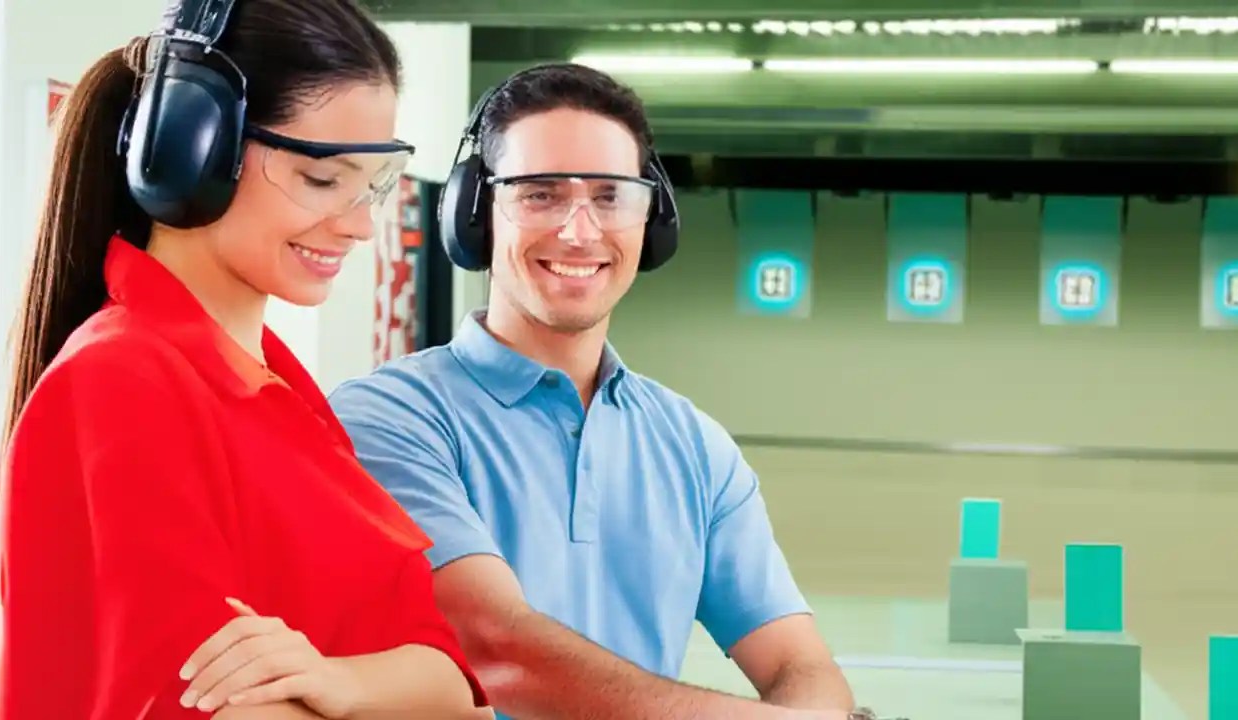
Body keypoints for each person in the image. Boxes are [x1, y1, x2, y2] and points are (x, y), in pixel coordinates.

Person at [0, 1, 492, 718]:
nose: (359, 225)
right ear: (191, 152)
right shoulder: (122, 381)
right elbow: (200, 704)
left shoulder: (282, 388)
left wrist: (340, 685)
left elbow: (450, 678)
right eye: (322, 179)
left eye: (373, 184)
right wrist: (390, 692)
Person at [327, 63, 859, 719]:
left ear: (652, 222)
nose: (580, 232)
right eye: (539, 194)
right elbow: (495, 652)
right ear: (475, 214)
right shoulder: (385, 419)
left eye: (610, 197)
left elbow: (799, 665)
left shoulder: (695, 447)